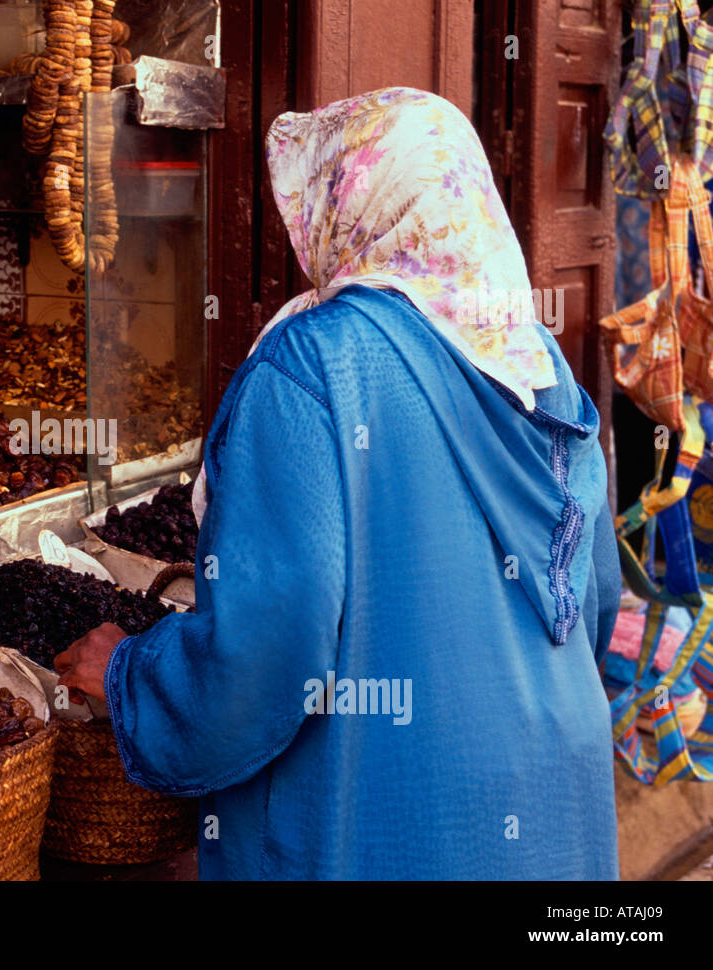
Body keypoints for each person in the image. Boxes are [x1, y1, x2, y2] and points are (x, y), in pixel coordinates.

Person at [54, 87, 622, 880]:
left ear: (351, 207)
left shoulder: (315, 366)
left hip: (393, 824)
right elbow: (590, 607)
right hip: (557, 807)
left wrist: (131, 677)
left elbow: (263, 657)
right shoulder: (536, 362)